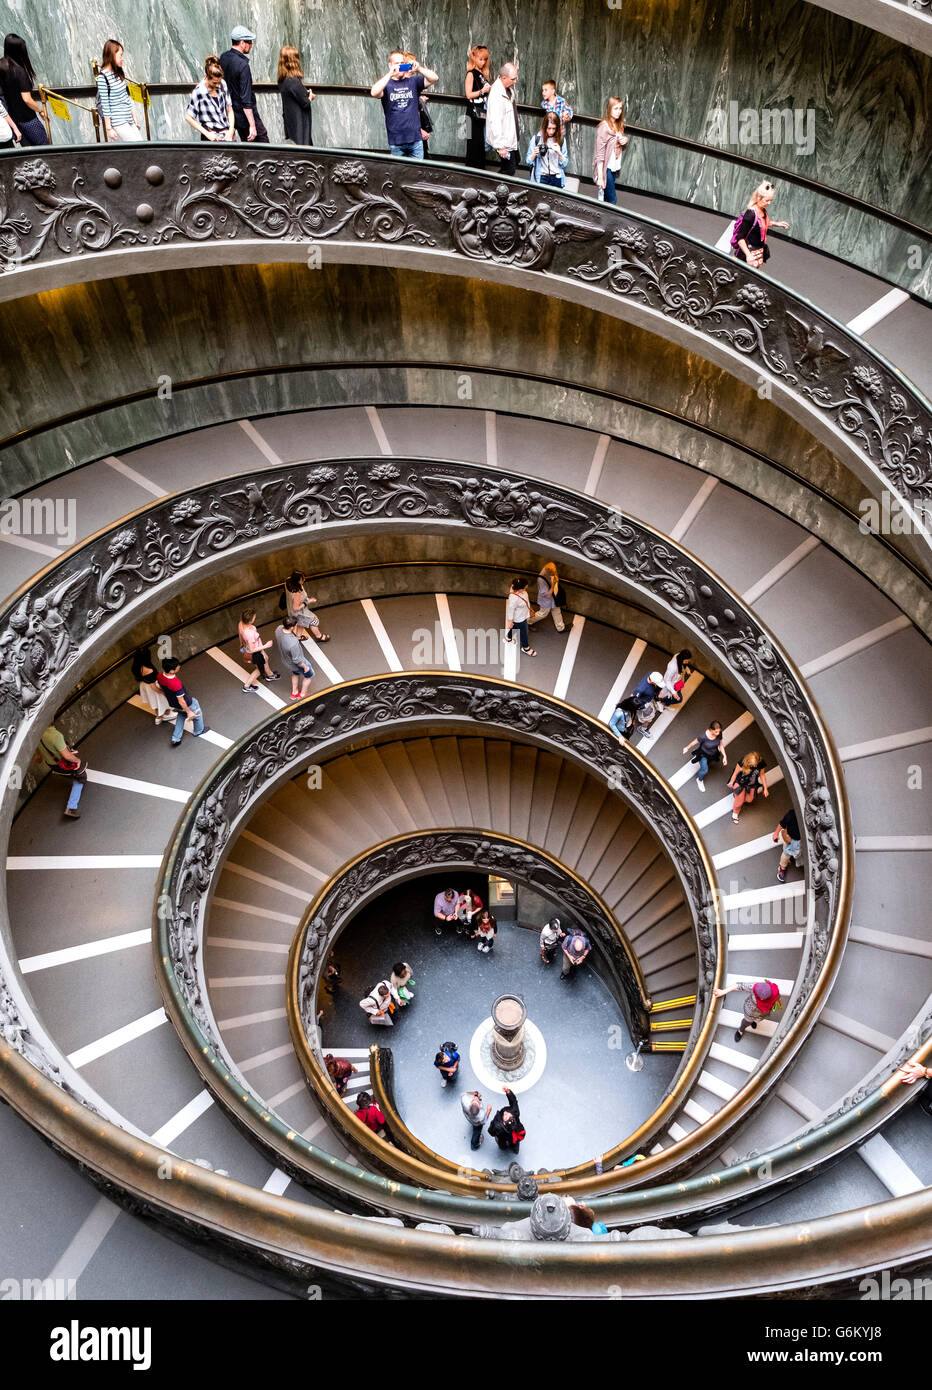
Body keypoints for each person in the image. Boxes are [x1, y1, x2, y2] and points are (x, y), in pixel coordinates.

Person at [370, 49, 438, 159]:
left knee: (417, 174)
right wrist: (390, 74)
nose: (400, 66)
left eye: (402, 63)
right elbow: (374, 92)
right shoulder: (386, 85)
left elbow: (434, 78)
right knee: (400, 175)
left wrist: (419, 68)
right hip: (396, 142)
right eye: (397, 63)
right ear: (390, 65)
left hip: (416, 140)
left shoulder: (413, 81)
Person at [220, 24, 268, 143]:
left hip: (229, 113)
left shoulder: (223, 58)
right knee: (263, 145)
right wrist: (252, 125)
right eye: (250, 42)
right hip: (243, 117)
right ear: (242, 43)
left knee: (243, 150)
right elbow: (246, 99)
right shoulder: (243, 66)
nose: (251, 45)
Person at [0, 34, 48, 146]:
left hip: (13, 118)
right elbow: (26, 99)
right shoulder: (20, 71)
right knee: (44, 147)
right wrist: (40, 110)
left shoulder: (1, 65)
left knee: (27, 151)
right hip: (28, 119)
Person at [732, 181, 789, 268]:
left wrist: (776, 224)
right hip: (746, 254)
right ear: (759, 198)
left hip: (757, 251)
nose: (769, 203)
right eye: (767, 200)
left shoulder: (762, 210)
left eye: (770, 200)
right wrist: (748, 255)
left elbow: (762, 223)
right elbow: (740, 238)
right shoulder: (750, 214)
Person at [35, 724, 87, 819]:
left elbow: (38, 756)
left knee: (73, 775)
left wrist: (38, 756)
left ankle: (73, 777)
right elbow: (67, 756)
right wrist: (77, 760)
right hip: (62, 764)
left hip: (52, 764)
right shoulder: (55, 735)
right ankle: (71, 808)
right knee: (81, 776)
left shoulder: (37, 732)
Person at [96, 39, 143, 142]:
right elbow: (105, 104)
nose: (122, 58)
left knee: (142, 145)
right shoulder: (102, 78)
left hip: (128, 119)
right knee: (137, 148)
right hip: (119, 122)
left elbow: (126, 97)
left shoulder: (118, 73)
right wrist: (109, 129)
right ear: (112, 55)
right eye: (120, 55)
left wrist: (133, 116)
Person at [158, 658, 209, 747]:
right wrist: (189, 712)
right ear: (171, 671)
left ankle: (176, 738)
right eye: (177, 666)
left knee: (181, 716)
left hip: (173, 704)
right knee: (197, 714)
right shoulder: (175, 683)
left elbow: (162, 689)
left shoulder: (160, 676)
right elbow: (181, 701)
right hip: (186, 703)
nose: (179, 666)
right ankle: (198, 731)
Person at [713, 979, 781, 1043]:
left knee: (756, 1020)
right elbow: (739, 985)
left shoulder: (774, 993)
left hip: (762, 1014)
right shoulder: (755, 987)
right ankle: (741, 1030)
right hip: (751, 1012)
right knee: (746, 1022)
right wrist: (722, 992)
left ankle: (753, 1021)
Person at [185, 55, 235, 142]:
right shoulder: (199, 91)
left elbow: (229, 110)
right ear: (208, 77)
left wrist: (231, 131)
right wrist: (207, 134)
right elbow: (188, 117)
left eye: (219, 82)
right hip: (210, 135)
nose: (217, 85)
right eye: (215, 83)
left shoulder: (223, 84)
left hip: (226, 134)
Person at [486, 62, 520, 175]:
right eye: (513, 79)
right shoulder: (497, 94)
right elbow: (495, 121)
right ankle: (496, 189)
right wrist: (501, 147)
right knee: (509, 170)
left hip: (510, 137)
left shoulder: (508, 88)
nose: (515, 81)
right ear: (504, 78)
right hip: (504, 140)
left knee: (515, 162)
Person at [592, 96, 628, 204]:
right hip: (606, 168)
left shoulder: (619, 124)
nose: (618, 111)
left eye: (620, 108)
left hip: (614, 167)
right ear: (609, 109)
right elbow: (600, 153)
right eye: (615, 108)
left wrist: (624, 141)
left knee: (607, 200)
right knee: (612, 200)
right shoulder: (604, 127)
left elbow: (620, 146)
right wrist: (600, 177)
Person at [277, 45, 313, 145]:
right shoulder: (294, 81)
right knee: (302, 148)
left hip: (290, 119)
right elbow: (305, 102)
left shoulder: (282, 80)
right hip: (299, 123)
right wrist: (310, 96)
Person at [238, 609, 280, 693]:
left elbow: (241, 638)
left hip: (252, 649)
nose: (255, 617)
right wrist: (266, 646)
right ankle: (246, 686)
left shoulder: (241, 623)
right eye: (254, 617)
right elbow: (252, 649)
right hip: (255, 653)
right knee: (259, 670)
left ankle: (270, 675)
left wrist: (262, 650)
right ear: (250, 620)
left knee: (265, 659)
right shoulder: (250, 633)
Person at [464, 44, 491, 169]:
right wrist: (482, 90)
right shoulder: (471, 74)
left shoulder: (482, 74)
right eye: (481, 59)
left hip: (481, 112)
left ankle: (479, 169)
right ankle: (471, 170)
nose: (483, 62)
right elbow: (468, 94)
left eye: (485, 59)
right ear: (474, 58)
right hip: (472, 113)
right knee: (472, 142)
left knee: (480, 143)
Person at [283, 571, 331, 641]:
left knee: (301, 622)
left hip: (291, 610)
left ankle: (298, 637)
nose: (304, 580)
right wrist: (307, 602)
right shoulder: (297, 593)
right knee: (314, 620)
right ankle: (319, 637)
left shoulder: (288, 581)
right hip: (299, 612)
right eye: (302, 579)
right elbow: (296, 608)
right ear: (297, 581)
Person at [275, 616, 314, 700]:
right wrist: (305, 667)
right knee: (308, 677)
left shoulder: (278, 629)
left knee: (295, 674)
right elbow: (297, 660)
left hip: (287, 661)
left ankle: (294, 693)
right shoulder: (293, 643)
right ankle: (302, 695)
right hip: (296, 663)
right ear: (292, 627)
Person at [683, 720, 728, 792]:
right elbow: (695, 742)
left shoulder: (719, 734)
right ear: (711, 730)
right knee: (704, 770)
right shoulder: (703, 736)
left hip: (713, 754)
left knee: (708, 763)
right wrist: (687, 748)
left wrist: (725, 756)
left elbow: (720, 744)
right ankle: (699, 780)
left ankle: (705, 763)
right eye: (716, 732)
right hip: (703, 754)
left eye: (719, 731)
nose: (718, 733)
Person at [131, 644, 172, 723]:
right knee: (161, 700)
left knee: (155, 702)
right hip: (152, 686)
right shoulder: (148, 669)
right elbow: (153, 687)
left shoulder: (135, 667)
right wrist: (162, 692)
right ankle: (165, 714)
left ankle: (158, 718)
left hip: (144, 685)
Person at [526, 111, 568, 188]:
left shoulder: (561, 140)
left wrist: (559, 153)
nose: (551, 131)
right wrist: (534, 154)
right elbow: (528, 161)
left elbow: (564, 164)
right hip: (541, 177)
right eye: (549, 128)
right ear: (544, 127)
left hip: (557, 177)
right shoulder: (536, 139)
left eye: (554, 128)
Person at [727, 751, 769, 823]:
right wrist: (731, 782)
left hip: (751, 783)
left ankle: (737, 796)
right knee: (739, 803)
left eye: (756, 764)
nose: (755, 766)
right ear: (748, 762)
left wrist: (765, 788)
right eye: (753, 765)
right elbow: (735, 774)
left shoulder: (761, 762)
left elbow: (762, 774)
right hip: (741, 783)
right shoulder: (742, 762)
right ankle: (735, 813)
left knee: (749, 800)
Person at [528, 561, 566, 630]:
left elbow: (555, 576)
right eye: (552, 573)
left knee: (556, 611)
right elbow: (547, 595)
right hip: (546, 600)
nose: (554, 574)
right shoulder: (541, 580)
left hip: (553, 598)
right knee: (543, 614)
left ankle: (560, 627)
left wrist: (555, 579)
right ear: (549, 572)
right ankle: (528, 621)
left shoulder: (549, 569)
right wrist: (553, 584)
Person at [504, 577, 536, 657]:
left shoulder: (521, 591)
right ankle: (525, 648)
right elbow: (511, 611)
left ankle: (508, 637)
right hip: (519, 618)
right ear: (520, 588)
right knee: (524, 632)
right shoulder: (514, 598)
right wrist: (510, 622)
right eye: (525, 586)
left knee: (516, 626)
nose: (526, 587)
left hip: (523, 615)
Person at [629, 669, 665, 739]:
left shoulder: (650, 674)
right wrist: (639, 707)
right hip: (644, 704)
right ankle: (642, 729)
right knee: (649, 717)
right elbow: (633, 697)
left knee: (652, 712)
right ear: (652, 681)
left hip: (648, 699)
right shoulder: (642, 688)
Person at [488, 1088, 525, 1152]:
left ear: (504, 1123)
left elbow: (491, 1132)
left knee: (502, 1145)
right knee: (514, 1144)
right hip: (511, 1138)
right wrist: (508, 1092)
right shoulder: (514, 1112)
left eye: (506, 1116)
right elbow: (514, 1102)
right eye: (509, 1114)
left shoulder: (497, 1126)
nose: (506, 1112)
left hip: (502, 1138)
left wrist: (493, 1125)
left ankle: (505, 1148)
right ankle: (514, 1150)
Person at [773, 807, 803, 884]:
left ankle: (790, 859)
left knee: (791, 852)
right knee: (787, 853)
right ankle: (782, 868)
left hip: (799, 840)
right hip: (790, 838)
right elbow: (782, 823)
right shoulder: (792, 814)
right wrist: (776, 833)